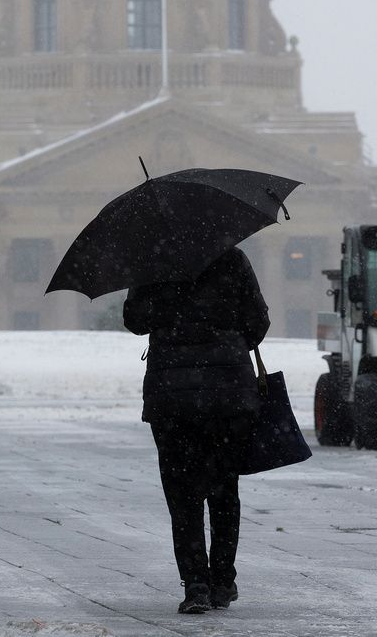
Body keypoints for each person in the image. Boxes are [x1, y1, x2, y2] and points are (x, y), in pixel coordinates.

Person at [123, 246, 269, 614]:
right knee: (224, 489)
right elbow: (258, 322)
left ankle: (197, 584)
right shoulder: (231, 258)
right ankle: (222, 581)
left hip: (172, 398)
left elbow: (135, 320)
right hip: (228, 395)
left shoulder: (152, 260)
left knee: (182, 494)